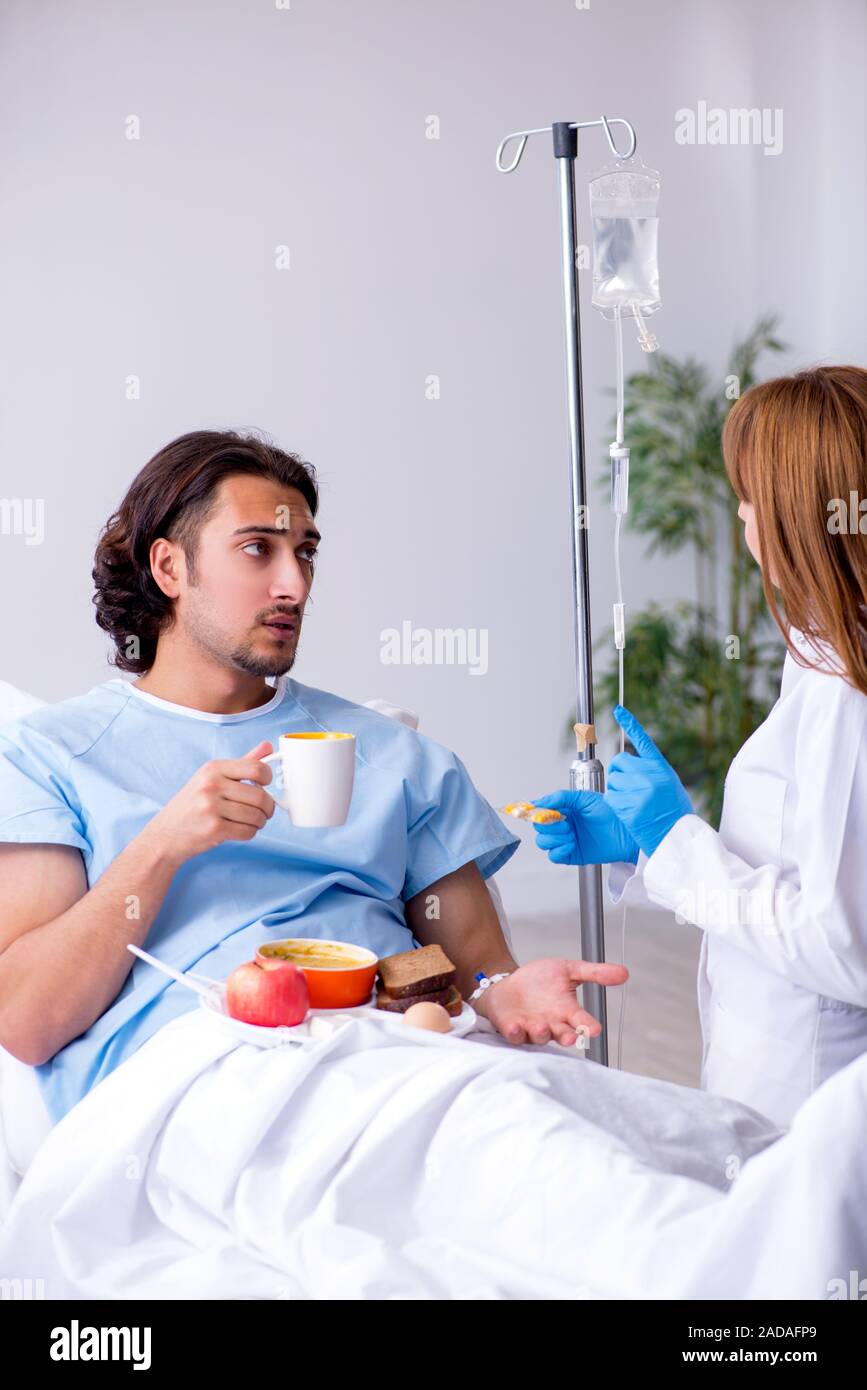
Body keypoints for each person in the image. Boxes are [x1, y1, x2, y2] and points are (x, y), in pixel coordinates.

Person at [0, 430, 627, 1124]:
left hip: (409, 1059)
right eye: (256, 549)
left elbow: (480, 968)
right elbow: (29, 1021)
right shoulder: (49, 755)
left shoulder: (398, 758)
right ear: (169, 568)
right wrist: (161, 846)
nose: (293, 585)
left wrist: (502, 993)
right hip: (212, 1081)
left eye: (305, 552)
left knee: (633, 1140)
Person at [531, 365, 867, 1130]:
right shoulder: (819, 653)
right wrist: (649, 853)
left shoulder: (846, 692)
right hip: (769, 1059)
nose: (742, 520)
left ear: (798, 513)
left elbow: (845, 949)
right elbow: (795, 873)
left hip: (814, 1089)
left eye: (747, 498)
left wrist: (676, 839)